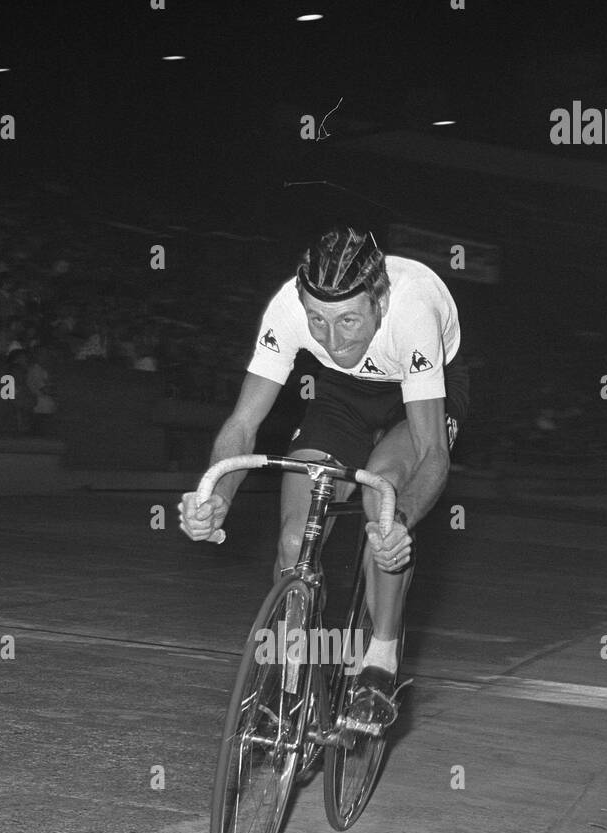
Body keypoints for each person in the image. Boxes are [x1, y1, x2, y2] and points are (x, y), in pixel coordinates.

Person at [179, 226, 469, 725]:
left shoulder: (414, 306)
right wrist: (217, 496)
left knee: (383, 501)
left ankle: (380, 661)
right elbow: (243, 424)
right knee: (295, 540)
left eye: (349, 321)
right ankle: (293, 680)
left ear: (379, 300)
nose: (333, 340)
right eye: (318, 321)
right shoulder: (288, 308)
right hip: (341, 394)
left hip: (418, 396)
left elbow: (431, 452)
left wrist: (400, 520)